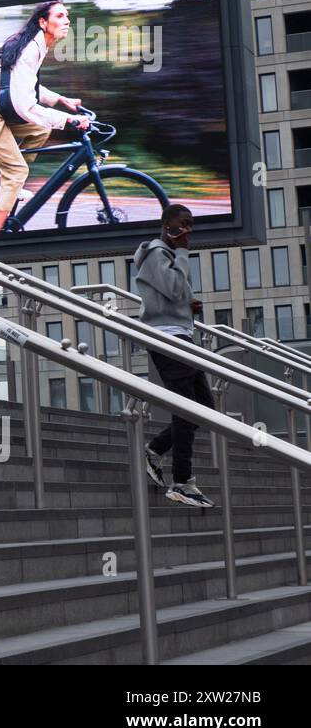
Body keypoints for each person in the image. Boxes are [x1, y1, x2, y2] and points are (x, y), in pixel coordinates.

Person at [0, 0, 88, 234]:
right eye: (59, 16)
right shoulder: (30, 50)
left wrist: (60, 100)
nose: (66, 20)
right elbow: (25, 107)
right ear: (43, 21)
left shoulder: (37, 45)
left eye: (66, 16)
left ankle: (2, 189)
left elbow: (25, 86)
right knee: (16, 172)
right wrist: (68, 119)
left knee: (39, 130)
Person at [132, 204, 215, 508]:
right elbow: (175, 287)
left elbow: (173, 294)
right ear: (166, 224)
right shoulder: (157, 253)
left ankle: (154, 450)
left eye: (191, 224)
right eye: (182, 224)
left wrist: (187, 307)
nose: (188, 230)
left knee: (205, 406)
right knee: (186, 408)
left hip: (180, 334)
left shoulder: (165, 255)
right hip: (167, 337)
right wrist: (182, 253)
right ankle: (182, 482)